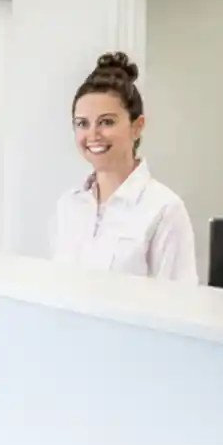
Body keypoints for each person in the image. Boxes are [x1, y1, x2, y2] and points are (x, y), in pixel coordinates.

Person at [51, 52, 199, 284]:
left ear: (137, 127)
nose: (92, 135)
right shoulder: (68, 205)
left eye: (106, 122)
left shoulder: (164, 210)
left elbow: (179, 308)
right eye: (82, 124)